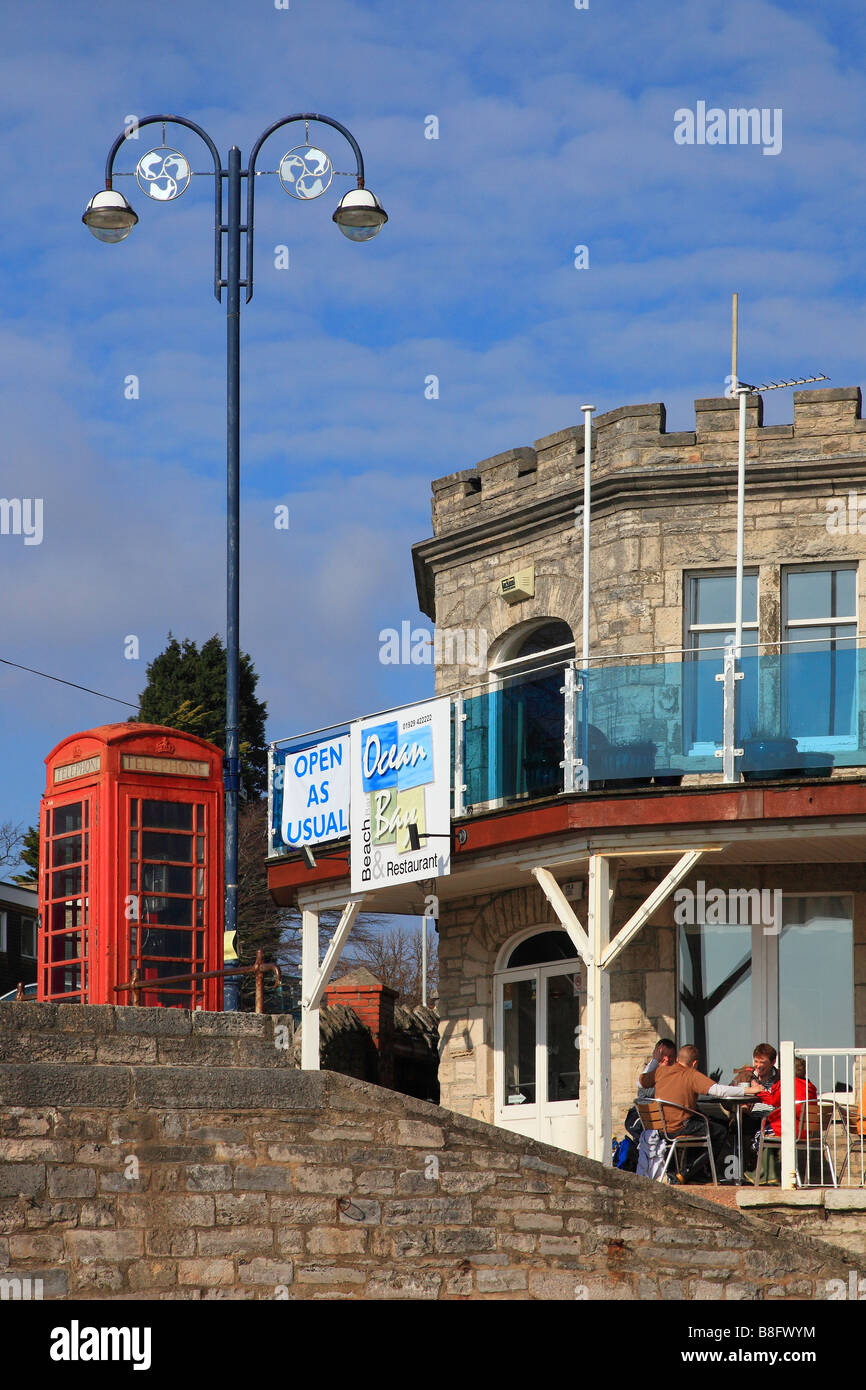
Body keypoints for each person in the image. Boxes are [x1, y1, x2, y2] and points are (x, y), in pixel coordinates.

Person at [652, 1044, 762, 1181]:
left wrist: (654, 1061)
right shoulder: (691, 1074)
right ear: (694, 1063)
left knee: (707, 1125)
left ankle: (692, 1174)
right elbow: (718, 1090)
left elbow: (641, 1081)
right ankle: (687, 1173)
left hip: (662, 1128)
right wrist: (749, 1091)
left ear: (677, 1058)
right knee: (720, 1131)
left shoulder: (661, 1071)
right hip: (681, 1126)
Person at [744, 1055, 817, 1184]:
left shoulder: (789, 1084)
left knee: (759, 1135)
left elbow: (773, 1100)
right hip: (805, 1131)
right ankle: (770, 1174)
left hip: (789, 1129)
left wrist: (758, 1089)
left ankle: (762, 1173)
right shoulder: (810, 1086)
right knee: (767, 1131)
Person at [635, 1038, 676, 1178]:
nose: (666, 1060)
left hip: (668, 1120)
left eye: (670, 1056)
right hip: (651, 1123)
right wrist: (654, 1061)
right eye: (662, 1056)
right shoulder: (651, 1073)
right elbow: (641, 1087)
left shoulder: (675, 1073)